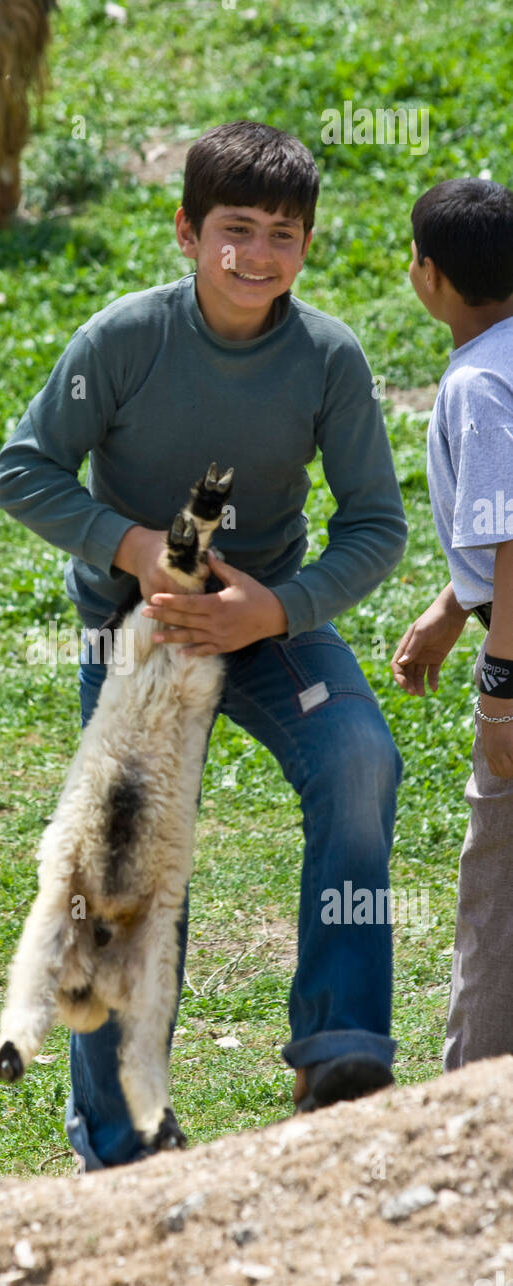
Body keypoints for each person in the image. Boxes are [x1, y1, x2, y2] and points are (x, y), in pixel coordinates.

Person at [0, 120, 407, 1169]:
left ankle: (340, 1052)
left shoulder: (325, 358)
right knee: (120, 860)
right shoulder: (123, 340)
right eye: (234, 230)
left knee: (359, 759)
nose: (256, 256)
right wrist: (128, 546)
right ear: (185, 231)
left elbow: (375, 523)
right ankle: (121, 1139)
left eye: (281, 234)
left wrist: (273, 610)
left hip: (262, 623)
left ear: (305, 246)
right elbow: (23, 470)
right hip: (136, 636)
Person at [391, 177, 513, 1071]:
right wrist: (448, 607)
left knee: (496, 890)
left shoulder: (478, 385)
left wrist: (501, 696)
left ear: (428, 276)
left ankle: (475, 1100)